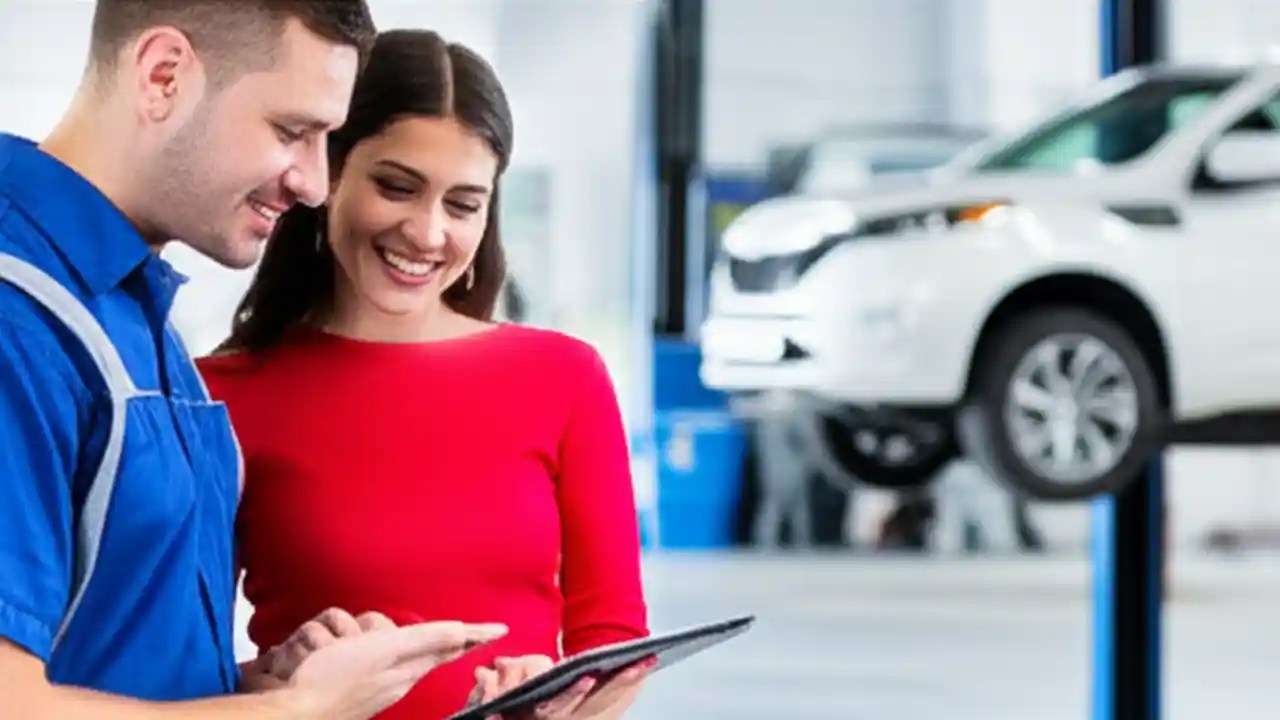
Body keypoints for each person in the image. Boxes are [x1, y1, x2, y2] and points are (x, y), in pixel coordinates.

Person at [0, 2, 511, 717]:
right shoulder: (17, 317)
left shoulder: (134, 315)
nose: (313, 183)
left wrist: (277, 685)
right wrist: (295, 714)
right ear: (163, 75)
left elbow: (113, 664)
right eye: (293, 132)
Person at [196, 29, 652, 720]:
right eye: (396, 186)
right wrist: (287, 681)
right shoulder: (221, 396)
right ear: (329, 173)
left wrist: (556, 701)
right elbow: (179, 674)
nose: (428, 232)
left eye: (463, 203)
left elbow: (615, 643)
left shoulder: (566, 379)